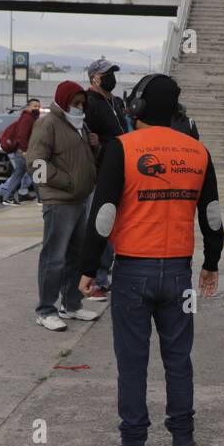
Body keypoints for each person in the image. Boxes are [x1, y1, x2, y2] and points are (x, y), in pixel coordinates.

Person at [78, 73, 223, 446]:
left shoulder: (121, 149)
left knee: (132, 361)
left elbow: (103, 215)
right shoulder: (198, 152)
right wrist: (212, 263)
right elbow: (211, 215)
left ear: (136, 107)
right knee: (178, 359)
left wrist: (88, 268)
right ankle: (183, 444)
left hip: (132, 272)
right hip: (178, 272)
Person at [27, 81, 102, 332]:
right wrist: (67, 181)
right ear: (63, 101)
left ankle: (71, 304)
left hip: (81, 199)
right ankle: (45, 310)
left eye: (82, 104)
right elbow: (35, 164)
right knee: (54, 257)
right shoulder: (48, 124)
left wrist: (94, 146)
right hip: (59, 201)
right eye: (75, 103)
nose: (80, 108)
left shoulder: (79, 126)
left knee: (76, 256)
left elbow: (81, 160)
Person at [82, 58, 130, 299]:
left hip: (122, 171)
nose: (111, 77)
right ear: (95, 78)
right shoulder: (89, 103)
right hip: (100, 174)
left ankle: (106, 275)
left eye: (113, 72)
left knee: (115, 228)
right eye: (107, 73)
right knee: (100, 224)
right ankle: (97, 279)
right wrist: (98, 144)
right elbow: (86, 138)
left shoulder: (116, 102)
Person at [0, 97, 42, 205]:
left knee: (19, 174)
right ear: (29, 107)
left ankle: (7, 197)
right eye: (35, 106)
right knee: (35, 173)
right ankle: (41, 198)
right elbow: (22, 135)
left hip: (23, 151)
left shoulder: (30, 118)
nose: (37, 108)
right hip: (24, 152)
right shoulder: (28, 118)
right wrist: (25, 150)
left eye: (38, 106)